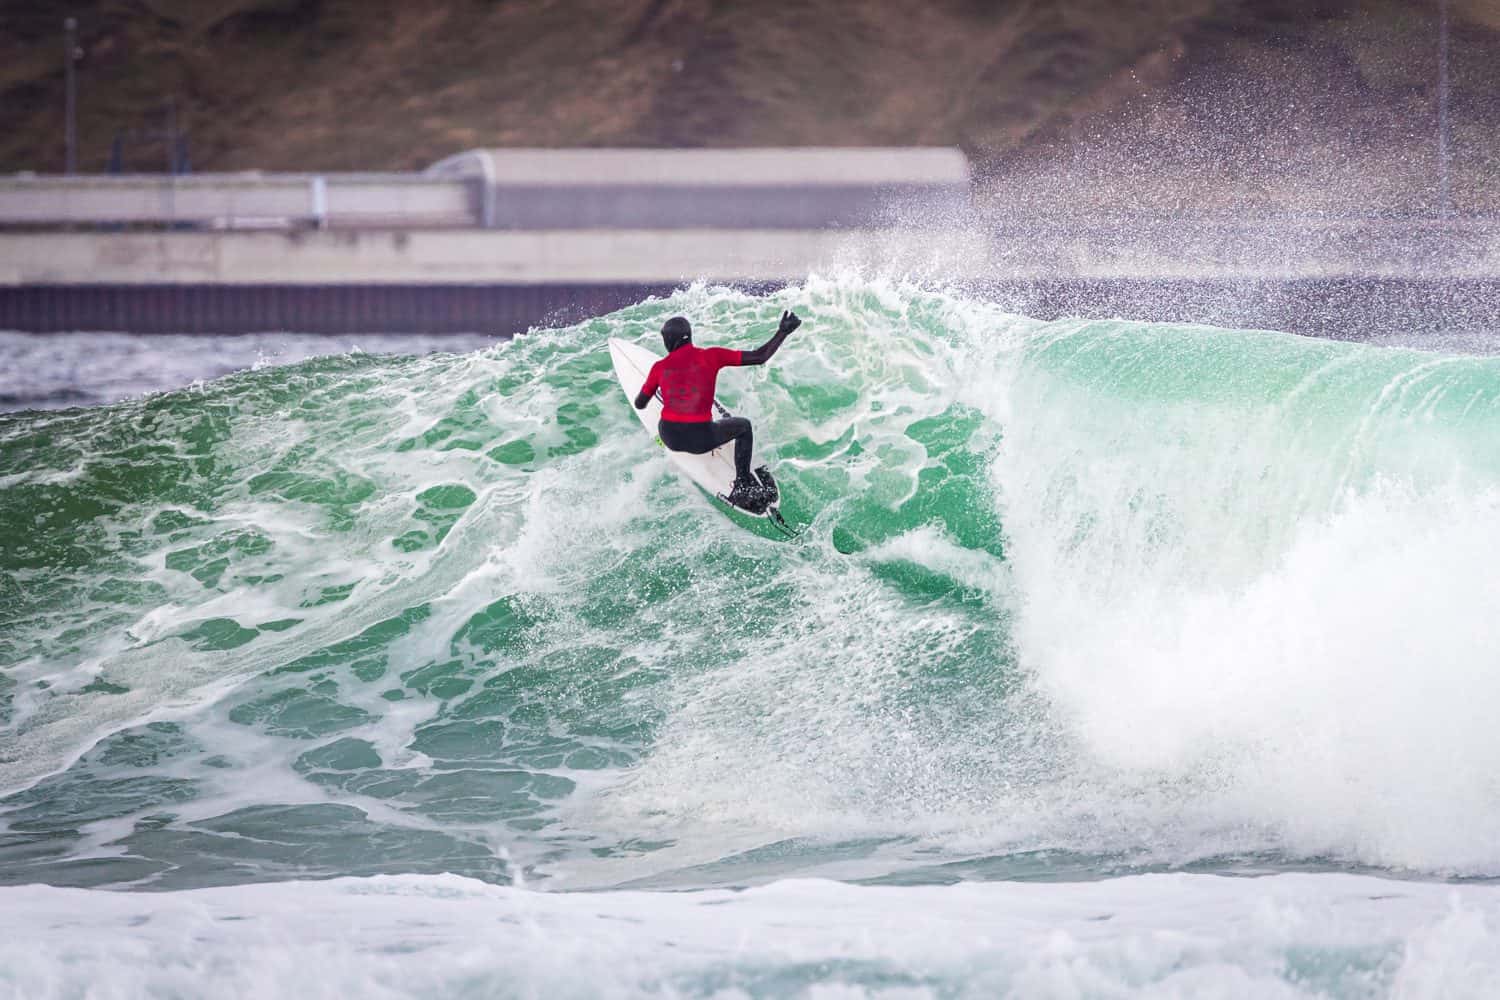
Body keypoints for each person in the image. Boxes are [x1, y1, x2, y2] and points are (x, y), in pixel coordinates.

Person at [634, 310, 802, 511]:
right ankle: (741, 483)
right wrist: (783, 332)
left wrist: (662, 389)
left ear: (669, 340)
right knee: (744, 426)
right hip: (702, 440)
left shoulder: (659, 367)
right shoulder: (712, 356)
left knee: (671, 415)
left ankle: (739, 481)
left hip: (670, 438)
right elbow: (760, 356)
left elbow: (640, 404)